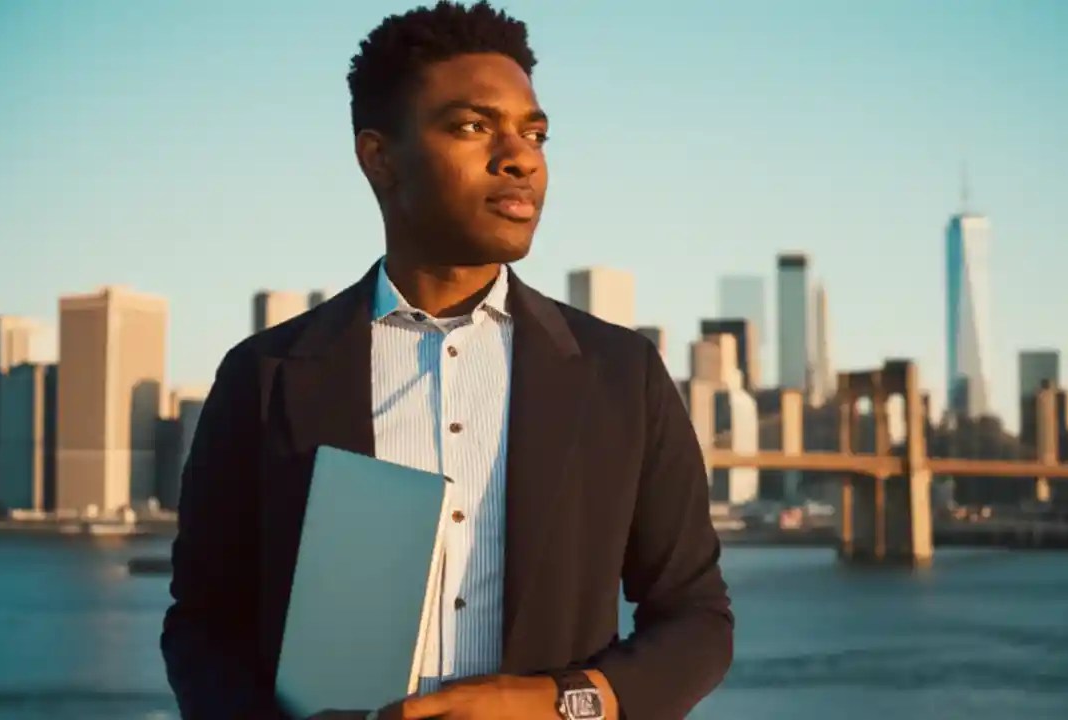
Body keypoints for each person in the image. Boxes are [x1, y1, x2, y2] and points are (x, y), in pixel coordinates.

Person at [160, 2, 733, 718]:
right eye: (472, 126)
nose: (520, 155)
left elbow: (696, 617)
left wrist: (558, 705)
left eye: (535, 133)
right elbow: (204, 623)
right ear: (380, 158)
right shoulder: (266, 375)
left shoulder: (621, 374)